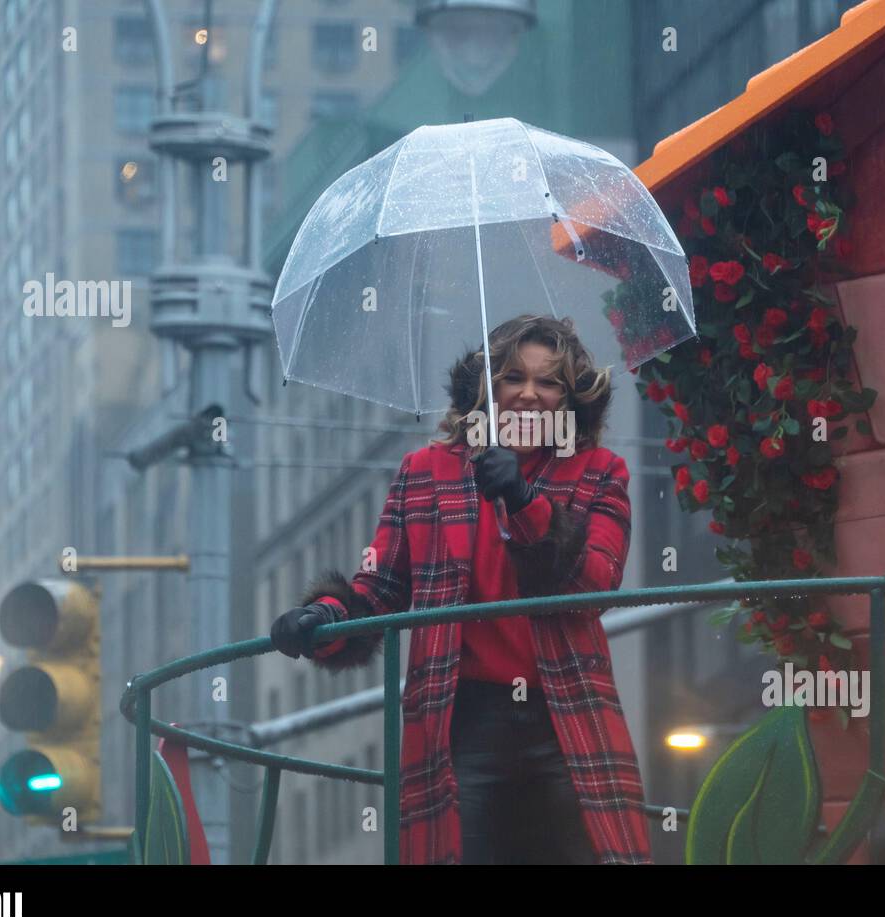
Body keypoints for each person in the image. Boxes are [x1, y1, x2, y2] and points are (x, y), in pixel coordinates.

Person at [270, 314, 652, 865]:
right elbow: (379, 587)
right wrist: (321, 618)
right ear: (486, 387)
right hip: (462, 720)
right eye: (513, 377)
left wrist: (524, 502)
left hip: (567, 714)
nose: (528, 395)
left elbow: (595, 582)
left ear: (570, 401)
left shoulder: (599, 470)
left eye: (549, 383)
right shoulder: (425, 470)